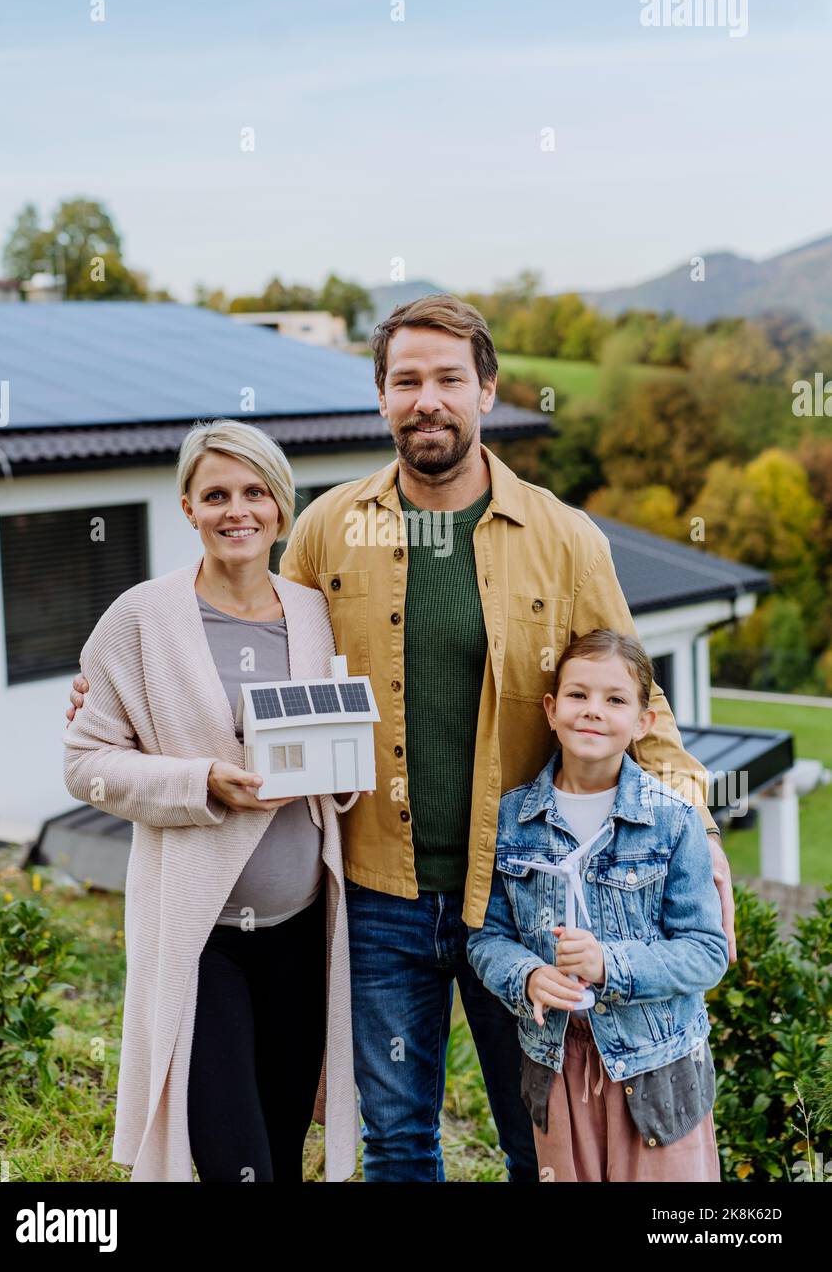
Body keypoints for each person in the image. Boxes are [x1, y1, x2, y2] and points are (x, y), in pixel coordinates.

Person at [68, 292, 736, 1184]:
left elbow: (636, 702)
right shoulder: (328, 527)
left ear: (487, 390)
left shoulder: (564, 538)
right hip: (377, 889)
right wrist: (116, 686)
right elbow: (252, 625)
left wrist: (698, 822)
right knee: (398, 1144)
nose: (428, 399)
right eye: (406, 380)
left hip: (519, 895)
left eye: (449, 379)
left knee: (533, 1140)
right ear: (381, 398)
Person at [62, 419, 361, 1183]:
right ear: (188, 508)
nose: (238, 510)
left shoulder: (313, 611)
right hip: (204, 939)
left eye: (256, 492)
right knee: (237, 1162)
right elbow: (86, 763)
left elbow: (335, 746)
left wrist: (342, 775)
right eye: (216, 494)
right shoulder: (141, 620)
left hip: (301, 928)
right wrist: (198, 784)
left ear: (281, 510)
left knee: (285, 1150)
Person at [466, 627, 729, 1182]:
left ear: (642, 723)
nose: (592, 711)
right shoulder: (510, 820)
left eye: (615, 700)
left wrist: (611, 964)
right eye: (577, 695)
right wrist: (529, 976)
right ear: (550, 708)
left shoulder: (673, 820)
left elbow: (707, 952)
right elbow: (486, 937)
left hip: (657, 1066)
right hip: (557, 1064)